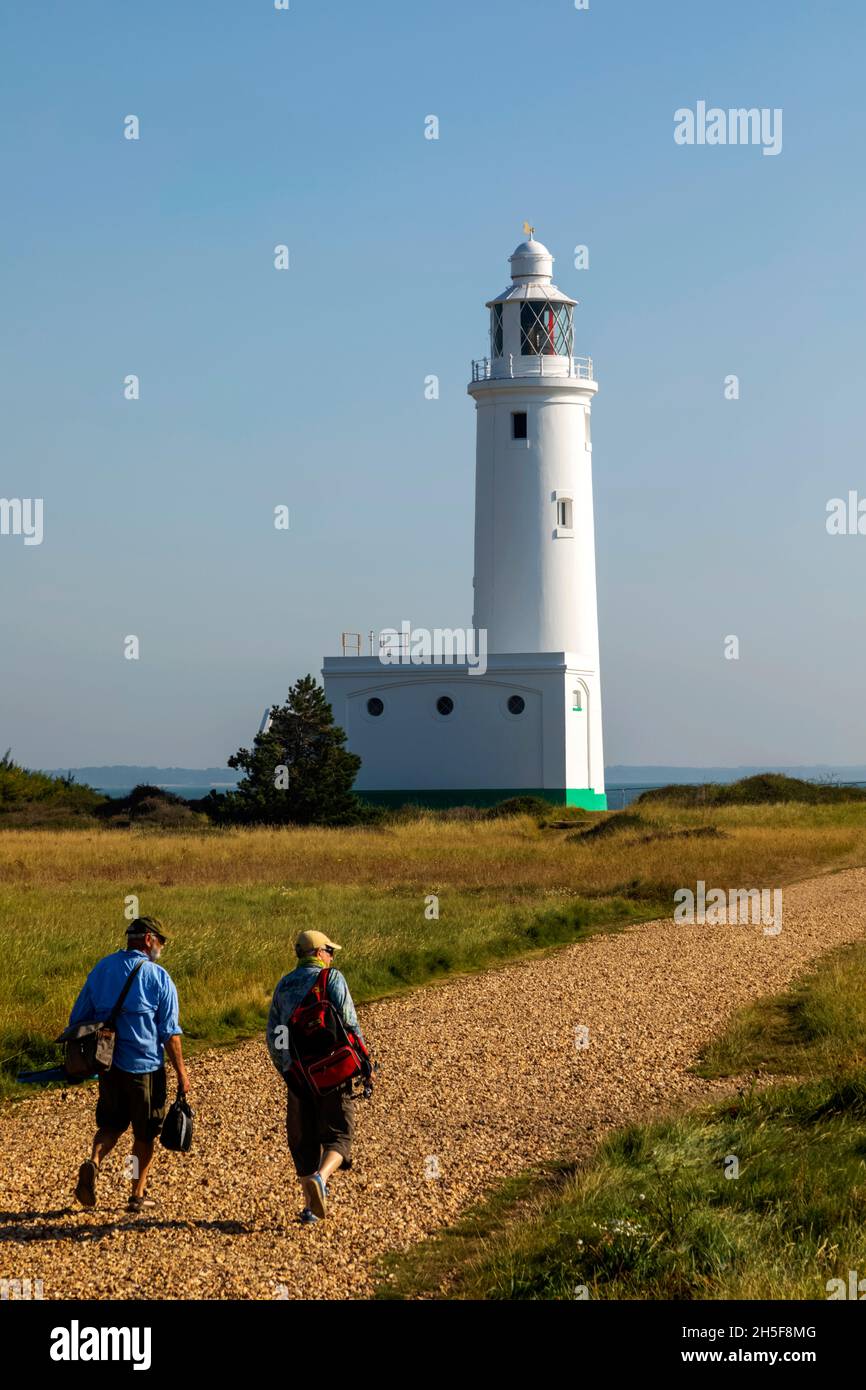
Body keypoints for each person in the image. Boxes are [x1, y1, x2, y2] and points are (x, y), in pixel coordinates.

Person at [68, 916, 190, 1213]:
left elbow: (78, 1019)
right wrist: (182, 1074)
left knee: (111, 1124)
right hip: (145, 1068)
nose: (162, 946)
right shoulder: (158, 977)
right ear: (149, 939)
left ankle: (94, 1162)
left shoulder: (102, 968)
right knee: (144, 1134)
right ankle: (136, 1194)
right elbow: (169, 1034)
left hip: (108, 1067)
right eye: (161, 941)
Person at [267, 929, 371, 1225]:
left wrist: (287, 1069)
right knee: (340, 1135)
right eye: (329, 950)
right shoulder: (332, 978)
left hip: (298, 1076)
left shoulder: (283, 986)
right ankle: (321, 1179)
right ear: (318, 953)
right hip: (332, 1072)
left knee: (302, 1141)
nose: (332, 956)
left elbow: (275, 1035)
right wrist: (364, 1064)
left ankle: (310, 1208)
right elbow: (350, 1024)